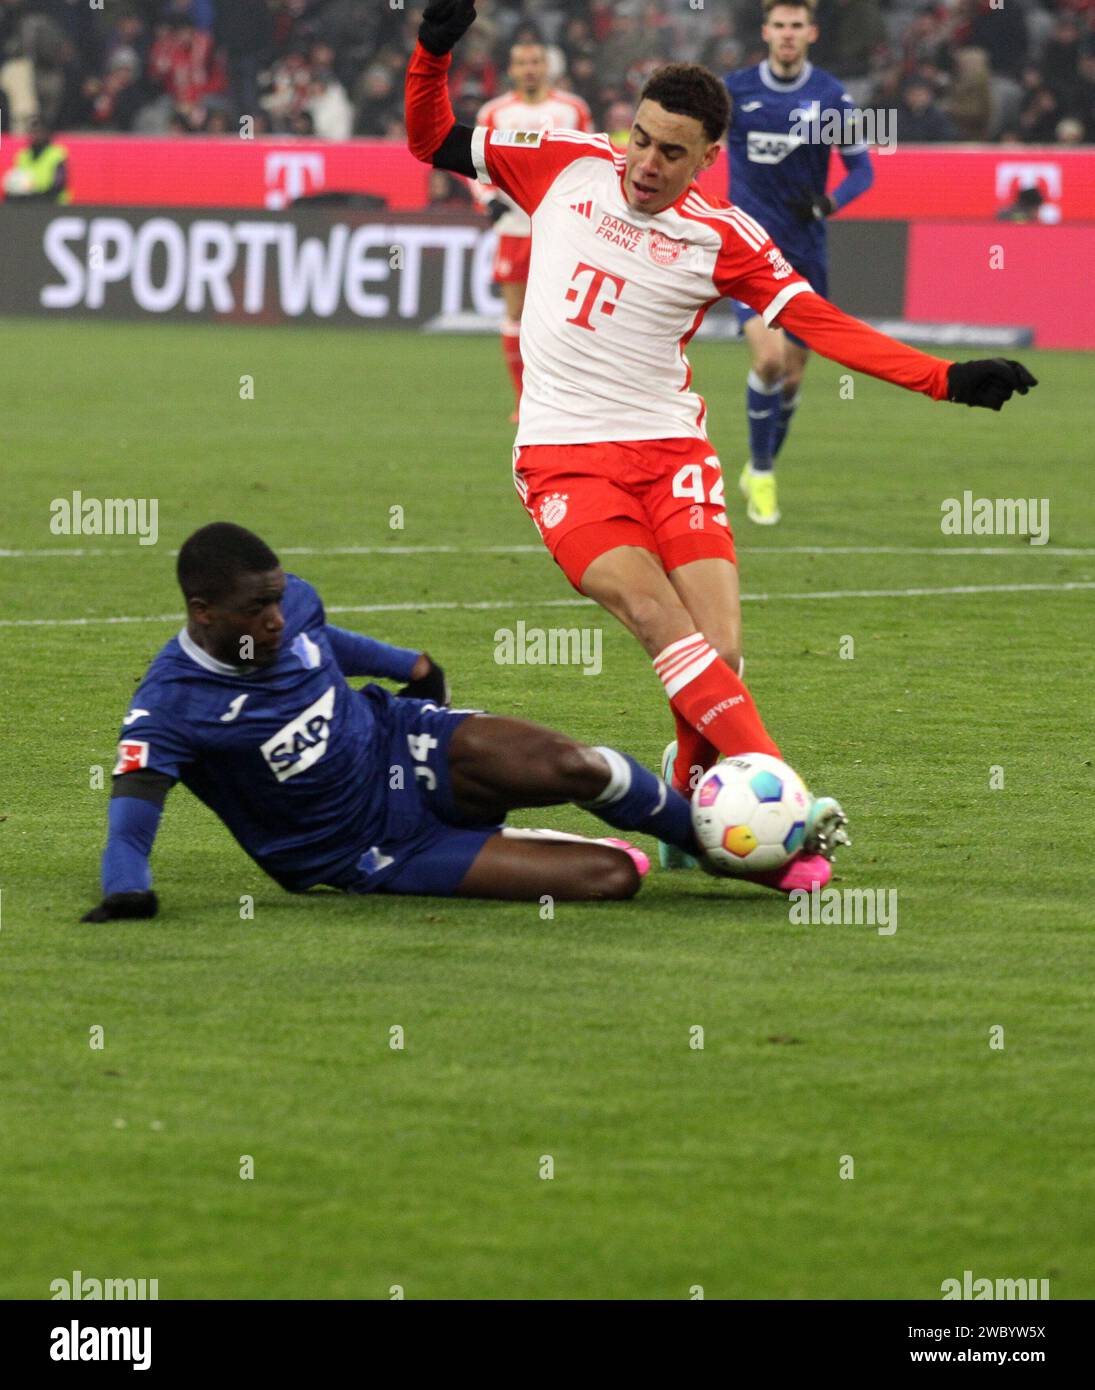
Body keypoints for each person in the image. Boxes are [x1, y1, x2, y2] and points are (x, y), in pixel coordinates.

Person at [405, 0, 1036, 879]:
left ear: (708, 160)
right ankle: (787, 811)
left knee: (722, 649)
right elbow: (430, 139)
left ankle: (684, 798)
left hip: (669, 453)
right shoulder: (563, 165)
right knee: (660, 620)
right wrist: (433, 50)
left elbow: (819, 321)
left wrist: (944, 379)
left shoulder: (722, 236)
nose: (647, 164)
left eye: (673, 152)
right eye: (641, 139)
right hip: (563, 458)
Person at [82, 522, 771, 923]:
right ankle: (510, 837)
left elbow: (326, 642)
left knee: (573, 765)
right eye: (257, 609)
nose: (276, 618)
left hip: (402, 741)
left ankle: (726, 852)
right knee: (612, 880)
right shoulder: (169, 707)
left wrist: (408, 666)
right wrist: (127, 892)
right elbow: (133, 815)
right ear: (203, 613)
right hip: (368, 848)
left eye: (279, 599)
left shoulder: (291, 609)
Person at [724, 0, 875, 525]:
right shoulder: (735, 91)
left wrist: (828, 203)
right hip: (749, 251)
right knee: (766, 361)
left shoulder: (831, 98)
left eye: (797, 27)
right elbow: (695, 142)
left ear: (811, 33)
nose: (787, 35)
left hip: (806, 254)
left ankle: (761, 463)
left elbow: (862, 172)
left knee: (790, 376)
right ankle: (762, 475)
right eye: (779, 26)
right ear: (766, 31)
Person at [474, 38, 593, 421]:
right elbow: (475, 162)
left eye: (536, 61)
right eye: (522, 62)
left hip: (562, 225)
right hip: (514, 224)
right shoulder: (495, 113)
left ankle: (564, 394)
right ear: (511, 70)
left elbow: (592, 159)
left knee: (565, 314)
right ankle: (523, 399)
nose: (529, 69)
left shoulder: (572, 109)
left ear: (547, 67)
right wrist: (488, 200)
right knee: (517, 311)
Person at [4, 116, 70, 203]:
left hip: (52, 202)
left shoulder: (57, 154)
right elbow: (17, 178)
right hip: (26, 200)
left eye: (40, 132)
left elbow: (58, 185)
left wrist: (37, 196)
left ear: (48, 134)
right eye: (34, 132)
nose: (36, 136)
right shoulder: (23, 155)